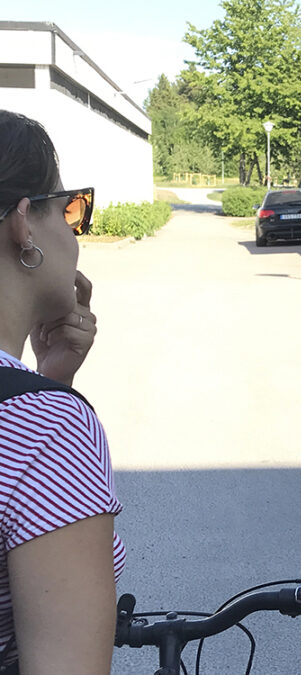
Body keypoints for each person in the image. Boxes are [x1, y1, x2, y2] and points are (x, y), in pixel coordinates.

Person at [0, 110, 123, 674]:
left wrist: (45, 380)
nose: (75, 231)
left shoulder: (34, 414)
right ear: (24, 224)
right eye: (71, 208)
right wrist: (46, 400)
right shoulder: (47, 430)